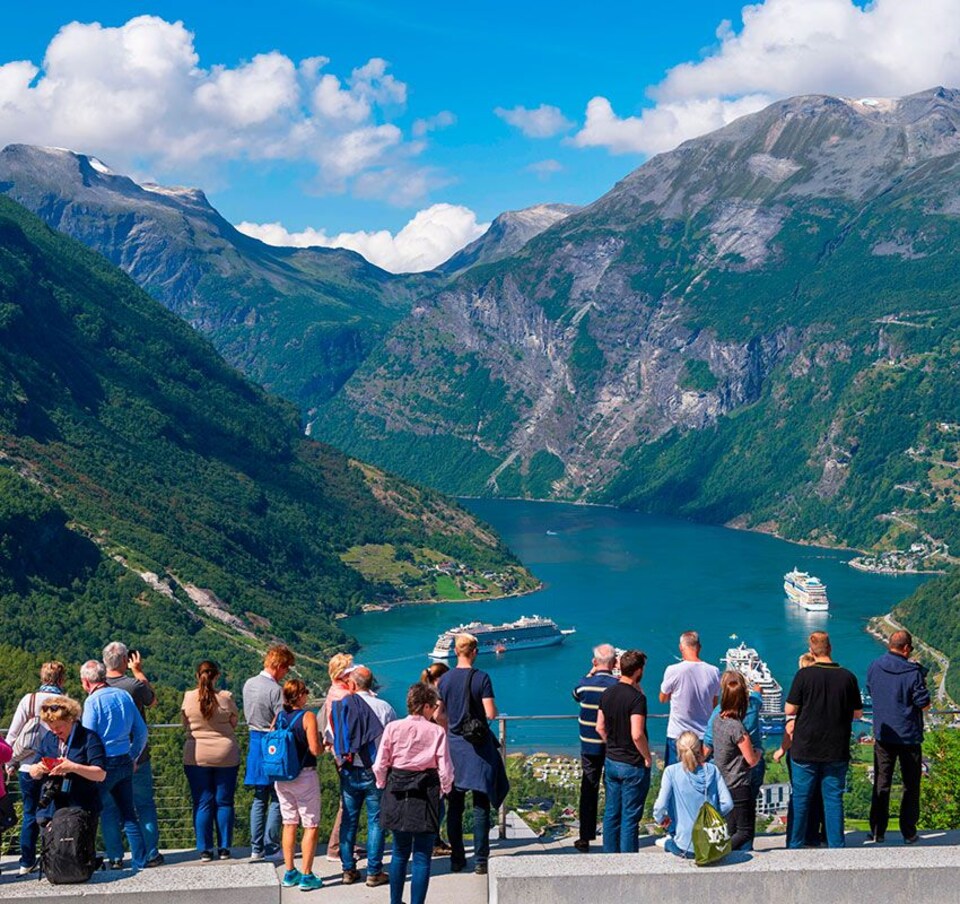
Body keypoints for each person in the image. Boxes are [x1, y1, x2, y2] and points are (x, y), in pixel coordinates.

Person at [436, 633, 509, 876]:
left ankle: (457, 858)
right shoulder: (482, 678)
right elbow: (490, 713)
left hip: (454, 747)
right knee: (480, 806)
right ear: (474, 652)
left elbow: (438, 714)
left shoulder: (444, 680)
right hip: (478, 748)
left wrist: (452, 726)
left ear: (456, 651)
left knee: (455, 806)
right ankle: (480, 860)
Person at [374, 682, 453, 904]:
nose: (435, 710)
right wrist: (444, 790)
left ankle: (395, 901)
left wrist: (382, 783)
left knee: (399, 852)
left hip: (397, 788)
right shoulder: (436, 731)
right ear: (426, 706)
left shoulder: (392, 728)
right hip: (426, 791)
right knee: (422, 855)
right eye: (433, 706)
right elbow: (445, 768)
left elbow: (380, 763)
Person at [785, 631, 862, 849]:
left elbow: (789, 709)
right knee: (833, 799)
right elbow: (857, 714)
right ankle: (836, 847)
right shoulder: (848, 677)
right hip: (836, 747)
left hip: (806, 747)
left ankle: (794, 847)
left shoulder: (804, 675)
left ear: (811, 651)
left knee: (801, 799)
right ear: (830, 648)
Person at [80, 659, 147, 871]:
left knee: (93, 812)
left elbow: (88, 737)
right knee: (129, 814)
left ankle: (101, 858)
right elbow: (141, 731)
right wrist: (133, 756)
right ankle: (140, 862)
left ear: (86, 682)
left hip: (102, 764)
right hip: (124, 759)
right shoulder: (124, 696)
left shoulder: (92, 702)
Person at [866, 629, 931, 844]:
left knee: (881, 783)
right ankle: (908, 832)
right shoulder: (913, 672)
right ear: (906, 648)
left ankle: (877, 830)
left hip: (884, 734)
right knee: (910, 785)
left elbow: (871, 690)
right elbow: (924, 704)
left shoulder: (875, 666)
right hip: (908, 736)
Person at [101, 641, 162, 868]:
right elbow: (152, 700)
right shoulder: (134, 685)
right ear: (126, 660)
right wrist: (138, 671)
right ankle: (151, 854)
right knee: (144, 805)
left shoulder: (98, 688)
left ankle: (115, 857)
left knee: (109, 810)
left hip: (107, 758)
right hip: (137, 756)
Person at [337, 665, 396, 887]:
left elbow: (332, 738)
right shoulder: (385, 708)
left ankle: (348, 870)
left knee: (348, 820)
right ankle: (374, 871)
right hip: (376, 771)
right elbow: (393, 740)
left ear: (352, 684)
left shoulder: (343, 706)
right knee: (376, 822)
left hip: (349, 769)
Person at [4, 661, 65, 875]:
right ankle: (54, 858)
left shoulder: (28, 700)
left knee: (29, 813)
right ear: (61, 679)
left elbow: (13, 734)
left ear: (42, 677)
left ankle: (26, 862)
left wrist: (10, 763)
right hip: (54, 766)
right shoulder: (63, 702)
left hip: (27, 767)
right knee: (54, 813)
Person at [181, 660, 240, 861]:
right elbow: (234, 723)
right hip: (226, 755)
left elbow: (185, 724)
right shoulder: (226, 698)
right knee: (224, 802)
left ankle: (205, 849)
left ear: (197, 676)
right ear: (217, 676)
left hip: (196, 755)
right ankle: (224, 848)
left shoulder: (188, 697)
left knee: (202, 802)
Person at [595, 649, 652, 853]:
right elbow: (637, 734)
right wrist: (647, 757)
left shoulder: (607, 693)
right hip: (632, 763)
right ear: (638, 670)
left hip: (612, 760)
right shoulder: (637, 699)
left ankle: (610, 857)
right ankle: (628, 862)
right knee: (630, 817)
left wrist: (611, 744)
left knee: (611, 813)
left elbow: (599, 727)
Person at [243, 643, 295, 862]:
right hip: (272, 744)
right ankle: (271, 846)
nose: (286, 673)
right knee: (277, 796)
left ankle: (256, 848)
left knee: (259, 797)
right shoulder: (275, 690)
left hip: (255, 741)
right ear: (279, 666)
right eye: (286, 668)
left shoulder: (249, 683)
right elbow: (282, 720)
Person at [274, 679, 322, 893]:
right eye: (306, 692)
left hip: (282, 776)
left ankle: (289, 871)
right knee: (310, 824)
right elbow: (314, 749)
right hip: (304, 775)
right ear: (300, 695)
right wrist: (323, 744)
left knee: (289, 822)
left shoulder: (279, 716)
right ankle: (307, 875)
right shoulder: (307, 717)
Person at [653, 731, 733, 857]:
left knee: (668, 843)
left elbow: (660, 806)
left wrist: (661, 819)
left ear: (678, 750)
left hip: (685, 847)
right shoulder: (712, 770)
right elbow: (728, 804)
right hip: (711, 844)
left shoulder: (671, 772)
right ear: (699, 748)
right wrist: (712, 818)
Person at [774, 653, 825, 847]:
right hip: (823, 749)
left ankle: (796, 838)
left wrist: (781, 750)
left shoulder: (800, 692)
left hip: (801, 751)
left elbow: (791, 728)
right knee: (819, 794)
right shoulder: (822, 690)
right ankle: (815, 834)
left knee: (800, 795)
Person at [571, 643, 619, 852]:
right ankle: (612, 836)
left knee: (588, 790)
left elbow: (575, 694)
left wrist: (591, 671)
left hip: (589, 747)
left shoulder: (584, 685)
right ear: (614, 663)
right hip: (612, 746)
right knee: (613, 791)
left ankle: (585, 837)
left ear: (594, 662)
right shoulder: (617, 685)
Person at [706, 671, 761, 851]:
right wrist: (759, 753)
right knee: (745, 831)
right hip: (739, 781)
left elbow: (708, 743)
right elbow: (751, 760)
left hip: (723, 780)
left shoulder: (717, 718)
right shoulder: (738, 727)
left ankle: (726, 855)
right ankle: (720, 851)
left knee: (731, 827)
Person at [29, 696, 106, 819]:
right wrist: (38, 769)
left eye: (58, 727)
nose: (55, 732)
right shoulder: (49, 738)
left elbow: (100, 774)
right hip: (49, 810)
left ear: (71, 720)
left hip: (80, 809)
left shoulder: (89, 738)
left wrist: (73, 767)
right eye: (51, 727)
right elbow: (33, 769)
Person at [659, 631, 721, 765]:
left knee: (675, 775)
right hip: (703, 736)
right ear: (699, 647)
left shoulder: (673, 670)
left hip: (678, 735)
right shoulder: (714, 671)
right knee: (702, 775)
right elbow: (714, 704)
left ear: (681, 647)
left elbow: (662, 699)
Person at [320, 652, 354, 864]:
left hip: (335, 750)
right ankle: (335, 847)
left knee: (347, 798)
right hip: (345, 754)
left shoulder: (332, 691)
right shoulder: (344, 696)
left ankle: (345, 841)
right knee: (348, 801)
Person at [421, 661, 451, 857]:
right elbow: (439, 715)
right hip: (437, 749)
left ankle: (432, 839)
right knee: (438, 801)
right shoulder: (437, 696)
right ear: (440, 678)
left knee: (431, 800)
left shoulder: (423, 693)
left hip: (423, 750)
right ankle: (433, 841)